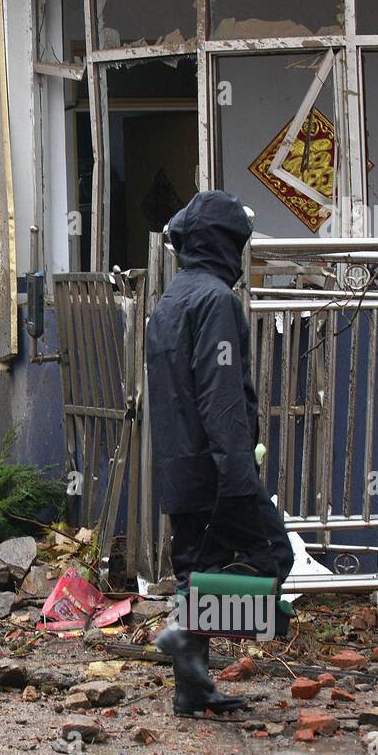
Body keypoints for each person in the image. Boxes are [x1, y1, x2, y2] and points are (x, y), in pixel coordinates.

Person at [145, 190, 294, 716]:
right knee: (273, 556)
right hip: (216, 471)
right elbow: (220, 395)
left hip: (178, 471)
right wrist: (239, 477)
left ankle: (192, 688)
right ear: (226, 244)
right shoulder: (216, 301)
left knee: (196, 572)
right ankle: (186, 632)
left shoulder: (168, 303)